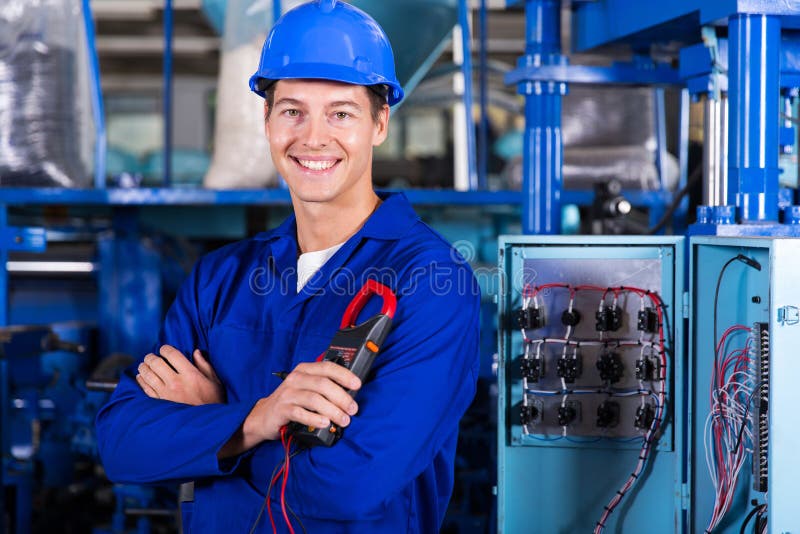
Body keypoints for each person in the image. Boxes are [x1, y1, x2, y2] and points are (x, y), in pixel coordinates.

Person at [95, 1, 480, 532]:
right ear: (268, 119)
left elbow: (350, 487)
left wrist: (214, 429)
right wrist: (254, 419)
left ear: (380, 122)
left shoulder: (431, 283)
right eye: (292, 110)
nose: (313, 137)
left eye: (341, 113)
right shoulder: (220, 278)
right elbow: (121, 446)